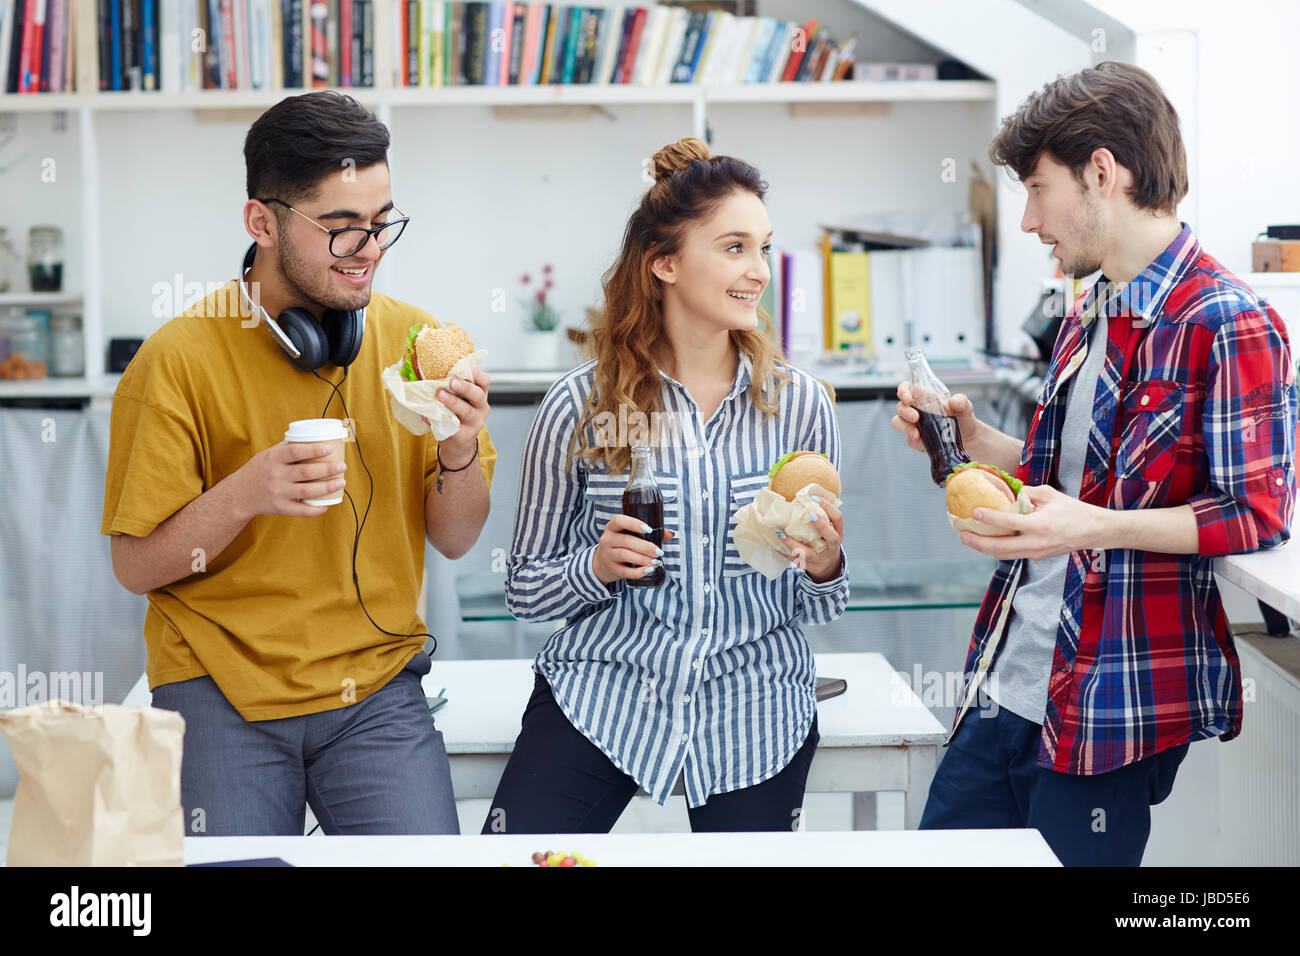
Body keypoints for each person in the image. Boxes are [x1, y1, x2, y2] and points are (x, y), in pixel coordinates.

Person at [892, 62, 1296, 866]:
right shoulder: (1090, 308)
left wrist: (1097, 527)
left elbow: (1255, 512)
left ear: (1102, 172)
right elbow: (1067, 478)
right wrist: (976, 441)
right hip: (1005, 681)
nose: (1032, 219)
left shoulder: (1229, 322)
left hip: (1106, 708)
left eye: (1039, 190)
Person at [101, 91, 496, 836]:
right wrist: (246, 492)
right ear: (262, 222)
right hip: (219, 688)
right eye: (343, 230)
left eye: (382, 224)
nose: (370, 249)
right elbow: (135, 567)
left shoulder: (421, 342)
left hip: (376, 689)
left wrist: (458, 445)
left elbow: (456, 537)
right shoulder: (175, 361)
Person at [483, 137, 849, 834]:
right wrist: (594, 568)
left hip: (755, 704)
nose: (760, 271)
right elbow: (524, 587)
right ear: (665, 263)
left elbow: (821, 605)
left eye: (764, 248)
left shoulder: (802, 406)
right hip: (604, 690)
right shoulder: (578, 406)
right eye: (735, 248)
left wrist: (826, 561)